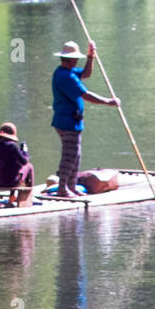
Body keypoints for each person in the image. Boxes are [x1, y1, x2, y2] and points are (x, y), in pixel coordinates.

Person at [51, 40, 120, 198]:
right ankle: (62, 189)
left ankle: (72, 186)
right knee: (69, 156)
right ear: (71, 59)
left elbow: (86, 74)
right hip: (66, 122)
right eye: (76, 58)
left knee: (76, 155)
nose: (77, 60)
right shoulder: (65, 76)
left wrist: (91, 56)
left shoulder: (69, 71)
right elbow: (85, 95)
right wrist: (108, 102)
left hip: (73, 122)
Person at [0, 122, 34, 206]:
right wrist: (25, 152)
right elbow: (24, 162)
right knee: (29, 166)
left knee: (13, 168)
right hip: (10, 183)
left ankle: (12, 197)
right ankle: (29, 195)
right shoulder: (12, 146)